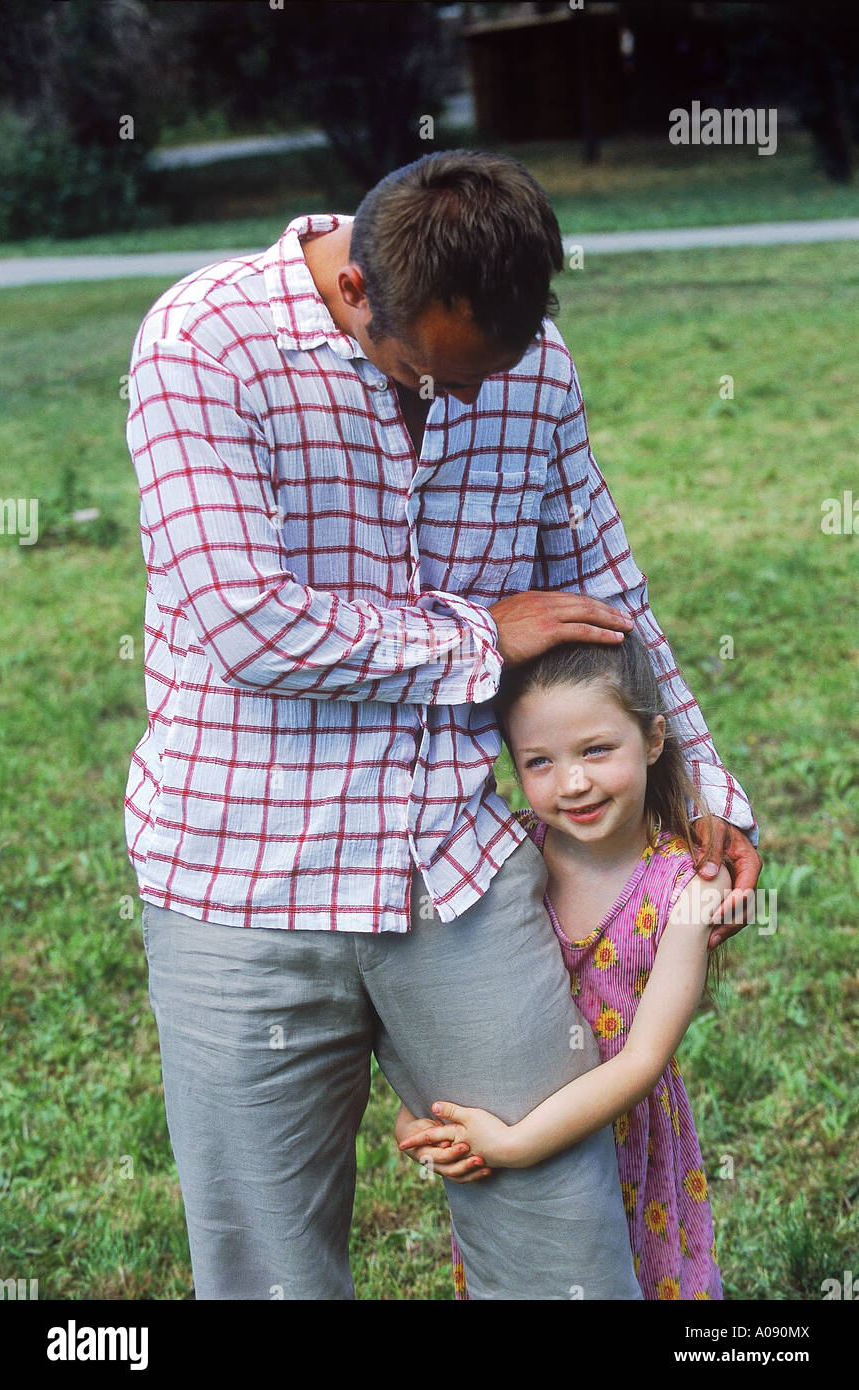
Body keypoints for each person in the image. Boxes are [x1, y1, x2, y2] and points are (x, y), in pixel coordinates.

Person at [125, 148, 760, 1300]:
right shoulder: (201, 343)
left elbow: (602, 586)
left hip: (457, 871)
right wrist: (481, 635)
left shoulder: (533, 366)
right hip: (239, 880)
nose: (462, 400)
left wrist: (707, 788)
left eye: (489, 372)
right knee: (268, 1273)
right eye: (431, 372)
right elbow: (248, 622)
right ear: (355, 289)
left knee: (564, 1244)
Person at [397, 632, 732, 1300]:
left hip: (621, 1132)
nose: (573, 782)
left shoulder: (687, 889)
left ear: (654, 739)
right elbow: (442, 1002)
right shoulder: (506, 855)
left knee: (638, 1277)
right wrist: (425, 1123)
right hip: (509, 1123)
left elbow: (643, 1062)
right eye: (539, 762)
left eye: (596, 750)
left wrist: (516, 1144)